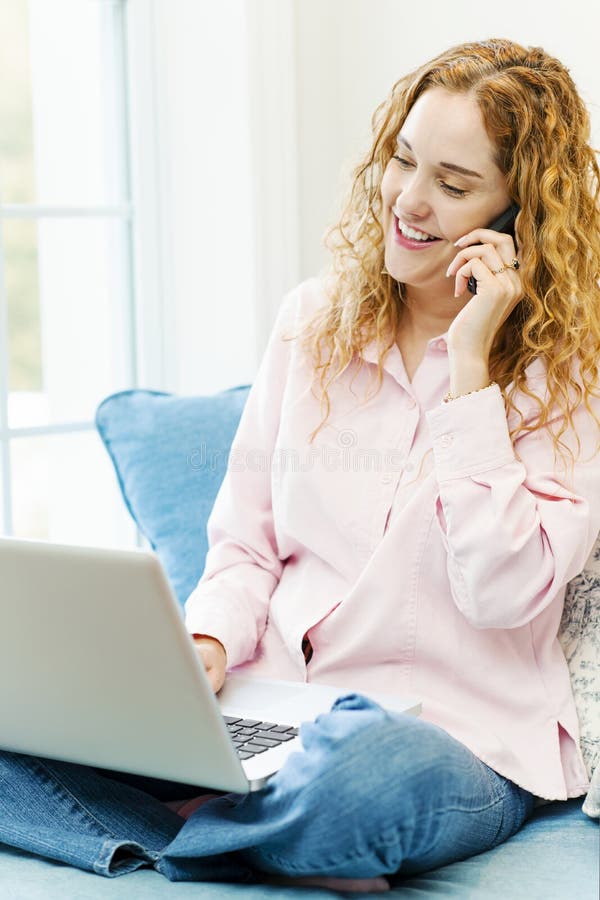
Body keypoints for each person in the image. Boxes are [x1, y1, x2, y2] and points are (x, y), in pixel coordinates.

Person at [1, 37, 599, 892]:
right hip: (274, 705)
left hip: (455, 740)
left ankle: (202, 830)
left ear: (519, 213)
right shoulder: (313, 323)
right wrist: (204, 645)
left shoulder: (571, 372)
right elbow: (245, 550)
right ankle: (268, 841)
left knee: (367, 775)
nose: (410, 202)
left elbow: (503, 592)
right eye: (403, 161)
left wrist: (472, 373)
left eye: (454, 185)